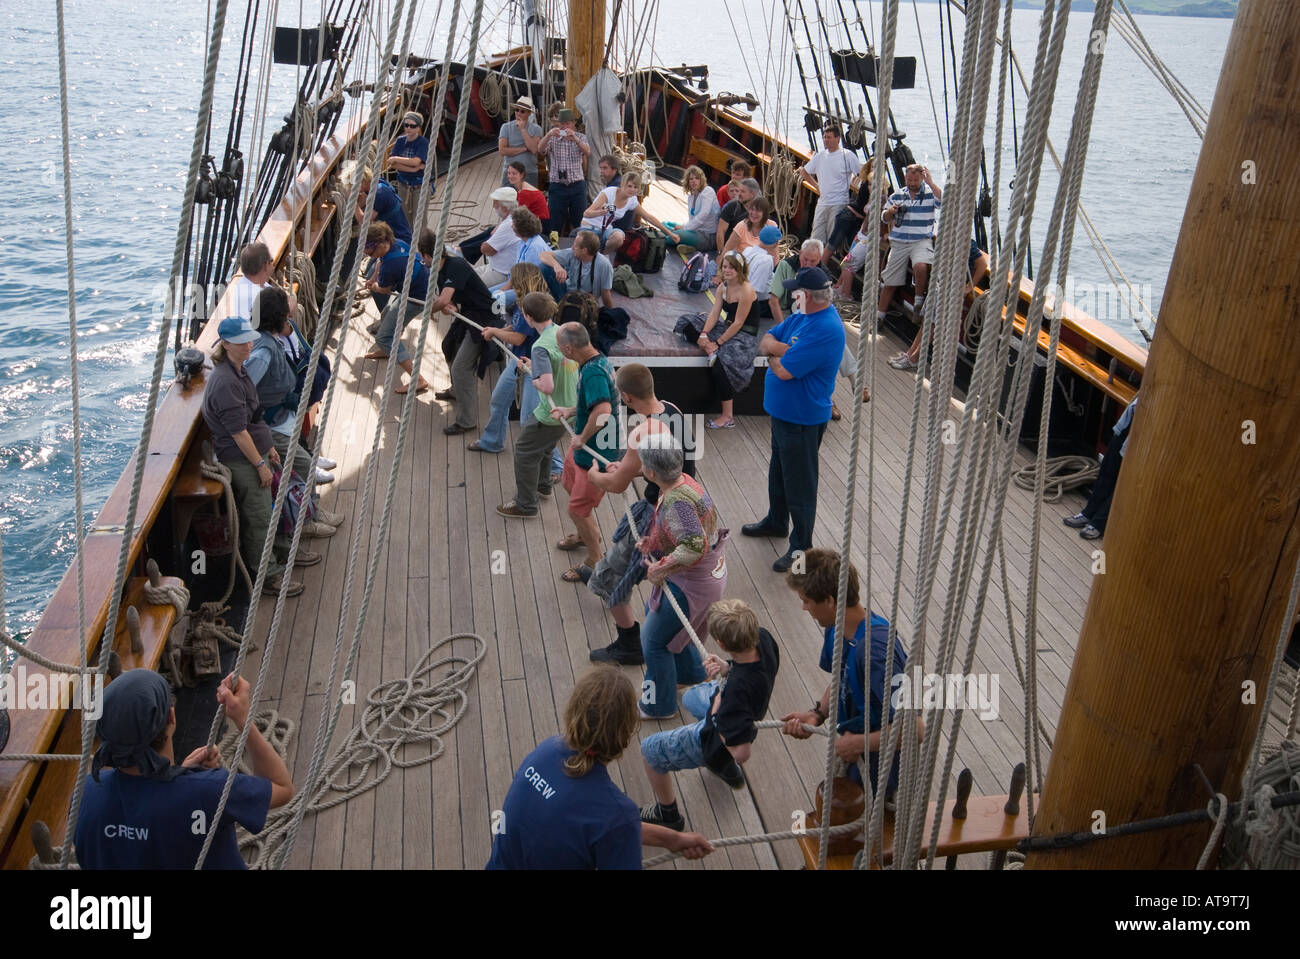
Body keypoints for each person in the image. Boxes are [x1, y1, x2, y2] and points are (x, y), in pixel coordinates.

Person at [486, 666, 713, 868]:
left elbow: (592, 822)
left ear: (573, 713)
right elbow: (605, 824)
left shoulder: (545, 752)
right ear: (625, 736)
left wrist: (671, 840)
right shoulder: (616, 813)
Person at [73, 669, 294, 870]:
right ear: (171, 716)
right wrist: (243, 719)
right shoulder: (210, 791)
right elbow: (281, 788)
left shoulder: (86, 792)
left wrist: (182, 772)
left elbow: (147, 816)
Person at [779, 549, 918, 797]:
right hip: (857, 752)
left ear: (830, 601)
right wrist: (817, 713)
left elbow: (914, 729)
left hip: (882, 766)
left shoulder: (875, 653)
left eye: (807, 600)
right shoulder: (837, 629)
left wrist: (858, 744)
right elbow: (842, 678)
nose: (803, 607)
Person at [587, 367, 697, 665]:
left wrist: (595, 475)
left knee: (607, 580)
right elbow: (666, 463)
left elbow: (616, 486)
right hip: (683, 503)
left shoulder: (643, 430)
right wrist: (629, 467)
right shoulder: (672, 411)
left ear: (626, 396)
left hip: (657, 516)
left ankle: (629, 644)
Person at [639, 599, 779, 830]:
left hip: (716, 732)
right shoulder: (764, 638)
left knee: (649, 751)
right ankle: (722, 767)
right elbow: (755, 671)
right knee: (691, 697)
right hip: (737, 706)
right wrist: (728, 668)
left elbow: (742, 752)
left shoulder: (735, 695)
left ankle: (668, 814)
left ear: (721, 643)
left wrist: (717, 715)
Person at [202, 315, 316, 597]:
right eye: (242, 342)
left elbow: (253, 417)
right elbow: (239, 433)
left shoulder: (238, 370)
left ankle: (283, 553)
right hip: (242, 459)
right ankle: (269, 576)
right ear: (227, 345)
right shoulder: (226, 383)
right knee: (260, 517)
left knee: (273, 506)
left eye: (249, 339)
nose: (249, 345)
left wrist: (270, 447)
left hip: (258, 449)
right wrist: (260, 464)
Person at [744, 267, 845, 572]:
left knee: (800, 484)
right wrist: (787, 352)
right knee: (779, 471)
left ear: (809, 296)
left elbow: (784, 370)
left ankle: (801, 547)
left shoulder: (826, 328)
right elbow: (766, 340)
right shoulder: (803, 316)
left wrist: (780, 356)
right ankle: (777, 521)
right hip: (784, 414)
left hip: (803, 419)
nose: (791, 295)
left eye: (796, 291)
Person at [634, 441, 729, 719]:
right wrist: (653, 541)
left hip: (691, 584)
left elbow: (693, 545)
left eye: (642, 464)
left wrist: (660, 568)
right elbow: (690, 532)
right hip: (710, 576)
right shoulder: (686, 482)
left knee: (652, 641)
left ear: (651, 473)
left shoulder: (676, 501)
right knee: (666, 623)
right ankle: (690, 673)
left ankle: (658, 705)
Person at [244, 289, 344, 535]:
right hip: (270, 426)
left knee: (303, 465)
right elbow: (244, 391)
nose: (289, 319)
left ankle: (314, 512)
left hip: (281, 418)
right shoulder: (263, 352)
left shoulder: (267, 338)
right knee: (305, 466)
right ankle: (307, 521)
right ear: (275, 317)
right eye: (285, 316)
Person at [497, 292, 577, 518]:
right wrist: (538, 367)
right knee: (545, 446)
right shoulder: (563, 332)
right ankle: (542, 485)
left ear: (527, 316)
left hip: (552, 411)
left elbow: (547, 386)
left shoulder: (540, 346)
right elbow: (561, 364)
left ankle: (526, 504)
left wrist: (532, 376)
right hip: (571, 406)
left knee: (523, 450)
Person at [549, 323, 620, 581]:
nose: (559, 350)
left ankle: (594, 559)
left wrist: (582, 437)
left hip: (596, 453)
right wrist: (569, 410)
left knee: (577, 510)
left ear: (569, 348)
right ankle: (584, 534)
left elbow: (603, 411)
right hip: (583, 450)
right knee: (569, 484)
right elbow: (591, 404)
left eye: (559, 347)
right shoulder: (594, 361)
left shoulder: (592, 373)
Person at [470, 263, 559, 466]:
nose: (508, 284)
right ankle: (493, 441)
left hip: (534, 368)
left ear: (519, 282)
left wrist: (494, 332)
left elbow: (519, 338)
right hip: (520, 362)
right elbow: (518, 327)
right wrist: (500, 328)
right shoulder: (524, 303)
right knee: (499, 400)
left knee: (530, 418)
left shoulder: (531, 306)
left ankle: (555, 465)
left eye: (512, 280)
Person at [676, 250, 759, 431]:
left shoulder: (746, 289)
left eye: (732, 267)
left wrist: (718, 343)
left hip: (744, 335)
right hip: (727, 328)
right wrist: (705, 334)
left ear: (740, 269)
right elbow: (714, 313)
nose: (727, 270)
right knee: (688, 322)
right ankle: (710, 351)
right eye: (725, 266)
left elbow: (738, 323)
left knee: (721, 366)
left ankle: (728, 416)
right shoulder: (723, 286)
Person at [427, 237, 502, 435]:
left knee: (461, 367)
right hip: (468, 312)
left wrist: (431, 310)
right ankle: (456, 390)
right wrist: (448, 306)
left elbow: (442, 299)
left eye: (421, 256)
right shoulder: (439, 270)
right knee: (448, 346)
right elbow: (447, 301)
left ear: (428, 255)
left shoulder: (456, 265)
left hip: (484, 319)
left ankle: (467, 421)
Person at [888, 239, 989, 371]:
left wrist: (969, 288)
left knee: (933, 325)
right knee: (927, 321)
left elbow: (982, 264)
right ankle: (910, 353)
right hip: (939, 286)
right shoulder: (947, 237)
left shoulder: (966, 242)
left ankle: (915, 358)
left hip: (951, 289)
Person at [360, 221, 433, 396]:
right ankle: (387, 351)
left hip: (416, 298)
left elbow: (384, 289)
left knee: (385, 336)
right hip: (417, 286)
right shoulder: (396, 243)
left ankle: (418, 380)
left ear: (379, 244)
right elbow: (379, 261)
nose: (367, 254)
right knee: (387, 314)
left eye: (369, 250)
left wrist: (373, 286)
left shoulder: (392, 265)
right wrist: (374, 277)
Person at [875, 163, 942, 329]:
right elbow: (884, 218)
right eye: (910, 179)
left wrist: (931, 183)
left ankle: (918, 304)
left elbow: (943, 201)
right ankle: (879, 316)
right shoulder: (898, 195)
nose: (912, 182)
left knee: (920, 266)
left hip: (921, 240)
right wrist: (890, 212)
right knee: (890, 280)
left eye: (916, 179)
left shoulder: (929, 194)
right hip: (899, 242)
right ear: (906, 178)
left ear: (922, 178)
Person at [1064, 395, 1138, 540]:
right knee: (1108, 468)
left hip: (1150, 428)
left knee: (1124, 480)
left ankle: (1098, 523)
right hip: (1133, 417)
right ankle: (1088, 513)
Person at [578, 172, 679, 258]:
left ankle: (601, 257)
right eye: (629, 186)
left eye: (635, 187)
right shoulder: (609, 193)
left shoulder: (632, 200)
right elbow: (586, 214)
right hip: (590, 227)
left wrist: (669, 233)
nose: (633, 190)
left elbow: (648, 217)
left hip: (606, 229)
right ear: (622, 184)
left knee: (619, 237)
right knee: (588, 249)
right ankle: (594, 258)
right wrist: (601, 212)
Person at [799, 126, 860, 249]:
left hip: (838, 203)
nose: (826, 140)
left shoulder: (848, 156)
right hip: (822, 203)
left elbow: (859, 175)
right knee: (815, 237)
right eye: (824, 137)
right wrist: (817, 187)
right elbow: (804, 172)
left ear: (838, 139)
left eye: (829, 137)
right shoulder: (820, 156)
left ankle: (825, 263)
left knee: (832, 239)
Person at [539, 108, 591, 236]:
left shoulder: (581, 137)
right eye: (562, 124)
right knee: (554, 221)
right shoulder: (553, 138)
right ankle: (554, 246)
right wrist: (548, 135)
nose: (565, 126)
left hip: (577, 185)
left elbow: (588, 152)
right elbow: (540, 150)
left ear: (573, 123)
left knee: (580, 220)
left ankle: (579, 246)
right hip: (558, 185)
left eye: (567, 123)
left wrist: (575, 139)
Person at [229, 242, 297, 328]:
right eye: (271, 261)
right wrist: (292, 303)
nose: (273, 263)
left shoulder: (247, 283)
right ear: (265, 265)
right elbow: (282, 324)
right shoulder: (258, 296)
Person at [452, 186, 517, 272]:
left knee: (466, 283)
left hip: (502, 272)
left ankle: (463, 251)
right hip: (494, 266)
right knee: (491, 230)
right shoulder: (513, 216)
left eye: (495, 204)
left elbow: (487, 250)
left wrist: (491, 240)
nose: (493, 206)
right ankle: (462, 248)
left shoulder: (508, 225)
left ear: (504, 208)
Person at [549, 229, 615, 308]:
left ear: (584, 250)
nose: (572, 247)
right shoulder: (572, 253)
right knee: (545, 267)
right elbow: (543, 255)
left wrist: (611, 313)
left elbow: (606, 293)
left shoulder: (604, 265)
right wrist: (557, 266)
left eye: (575, 245)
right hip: (567, 293)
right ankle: (557, 305)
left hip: (587, 301)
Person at [825, 161, 874, 265]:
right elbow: (866, 209)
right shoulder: (869, 184)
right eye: (873, 167)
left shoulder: (880, 184)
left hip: (859, 221)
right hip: (849, 216)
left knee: (853, 254)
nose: (876, 170)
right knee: (833, 244)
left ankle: (841, 276)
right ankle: (817, 268)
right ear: (869, 168)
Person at [386, 111, 430, 228]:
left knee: (419, 220)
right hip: (403, 185)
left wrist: (397, 159)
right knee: (404, 219)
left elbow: (416, 161)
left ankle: (421, 244)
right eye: (406, 125)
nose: (409, 128)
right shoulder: (400, 141)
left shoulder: (423, 143)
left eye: (412, 126)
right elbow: (392, 163)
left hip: (419, 187)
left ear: (418, 127)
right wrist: (413, 169)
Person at [666, 164, 720, 255]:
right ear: (687, 181)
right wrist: (683, 226)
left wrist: (684, 228)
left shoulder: (708, 191)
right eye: (691, 179)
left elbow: (703, 215)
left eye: (697, 178)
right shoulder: (691, 197)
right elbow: (692, 220)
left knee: (676, 235)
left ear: (701, 180)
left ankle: (660, 238)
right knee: (666, 224)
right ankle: (689, 246)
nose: (694, 181)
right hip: (695, 231)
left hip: (707, 237)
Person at [356, 167, 412, 245]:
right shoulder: (378, 183)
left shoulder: (379, 193)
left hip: (398, 241)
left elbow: (363, 221)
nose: (353, 187)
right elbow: (363, 202)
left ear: (363, 181)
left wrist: (353, 203)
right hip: (393, 237)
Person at [498, 96, 542, 186]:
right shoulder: (505, 127)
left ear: (529, 113)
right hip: (510, 173)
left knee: (529, 200)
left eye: (522, 111)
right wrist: (524, 149)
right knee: (506, 199)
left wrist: (523, 130)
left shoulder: (537, 129)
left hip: (529, 172)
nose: (518, 113)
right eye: (517, 110)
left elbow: (533, 149)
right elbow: (502, 150)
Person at [715, 177, 760, 250]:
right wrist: (721, 252)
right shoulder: (732, 206)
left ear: (752, 194)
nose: (739, 194)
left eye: (743, 192)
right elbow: (720, 231)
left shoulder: (759, 211)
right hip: (730, 250)